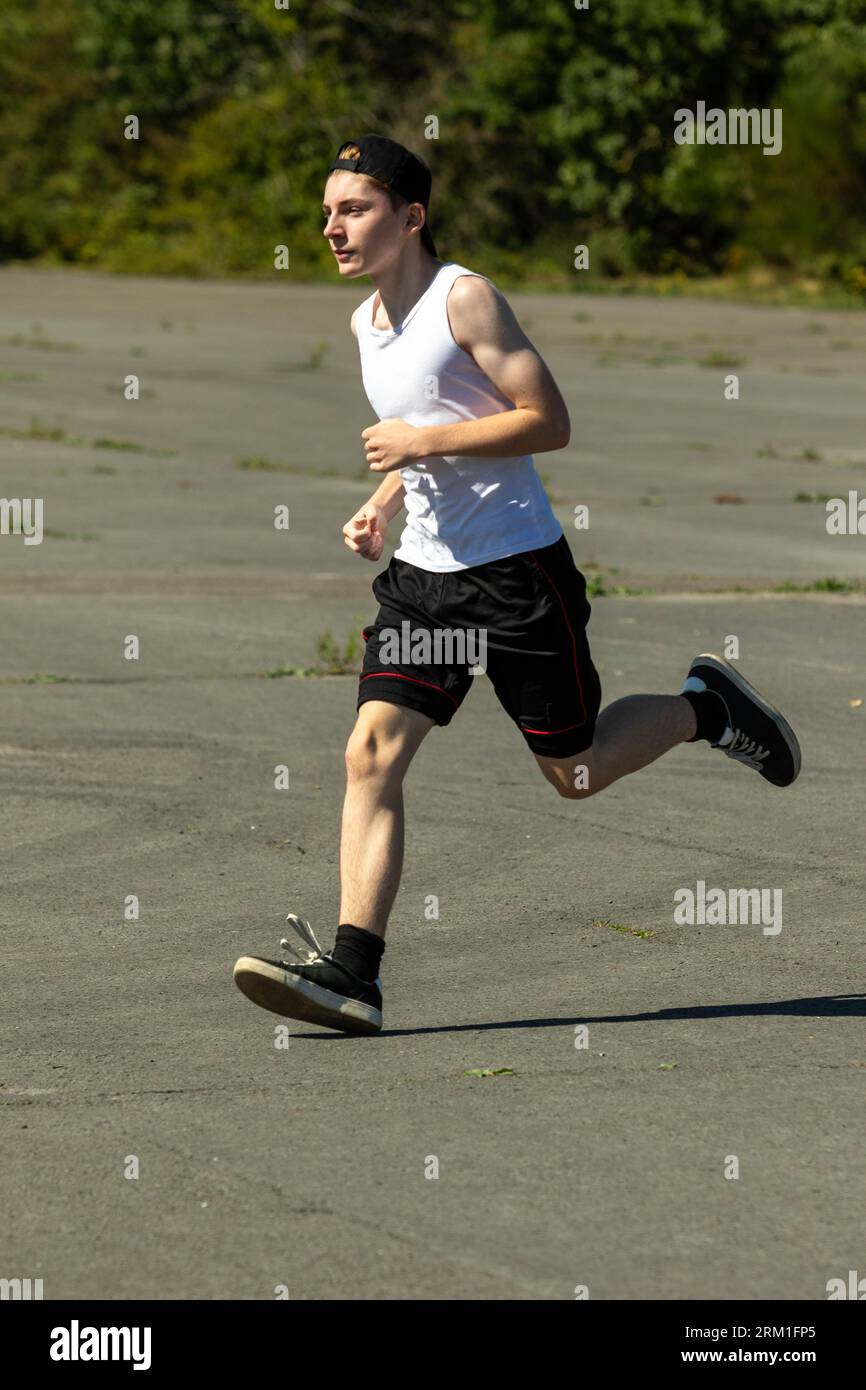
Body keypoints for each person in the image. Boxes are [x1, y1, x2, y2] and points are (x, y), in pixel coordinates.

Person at [233, 134, 801, 1035]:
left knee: (574, 773)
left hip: (516, 577)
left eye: (354, 210)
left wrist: (415, 447)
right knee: (369, 754)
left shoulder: (465, 298)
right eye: (328, 211)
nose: (331, 227)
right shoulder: (365, 322)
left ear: (410, 216)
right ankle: (355, 973)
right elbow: (429, 426)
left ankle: (706, 707)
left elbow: (547, 419)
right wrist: (386, 499)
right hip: (424, 580)